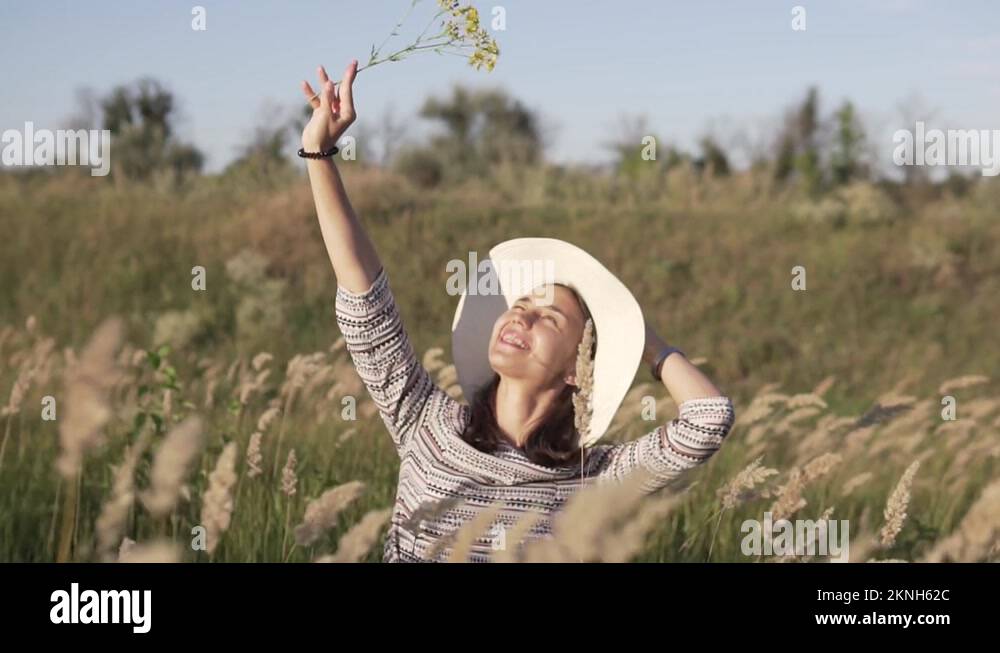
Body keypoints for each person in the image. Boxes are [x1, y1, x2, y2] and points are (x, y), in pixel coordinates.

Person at [300, 60, 736, 562]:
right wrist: (319, 154)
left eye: (549, 318)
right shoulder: (425, 422)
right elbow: (365, 300)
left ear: (578, 367)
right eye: (521, 305)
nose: (521, 317)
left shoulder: (590, 476)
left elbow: (707, 419)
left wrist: (643, 339)